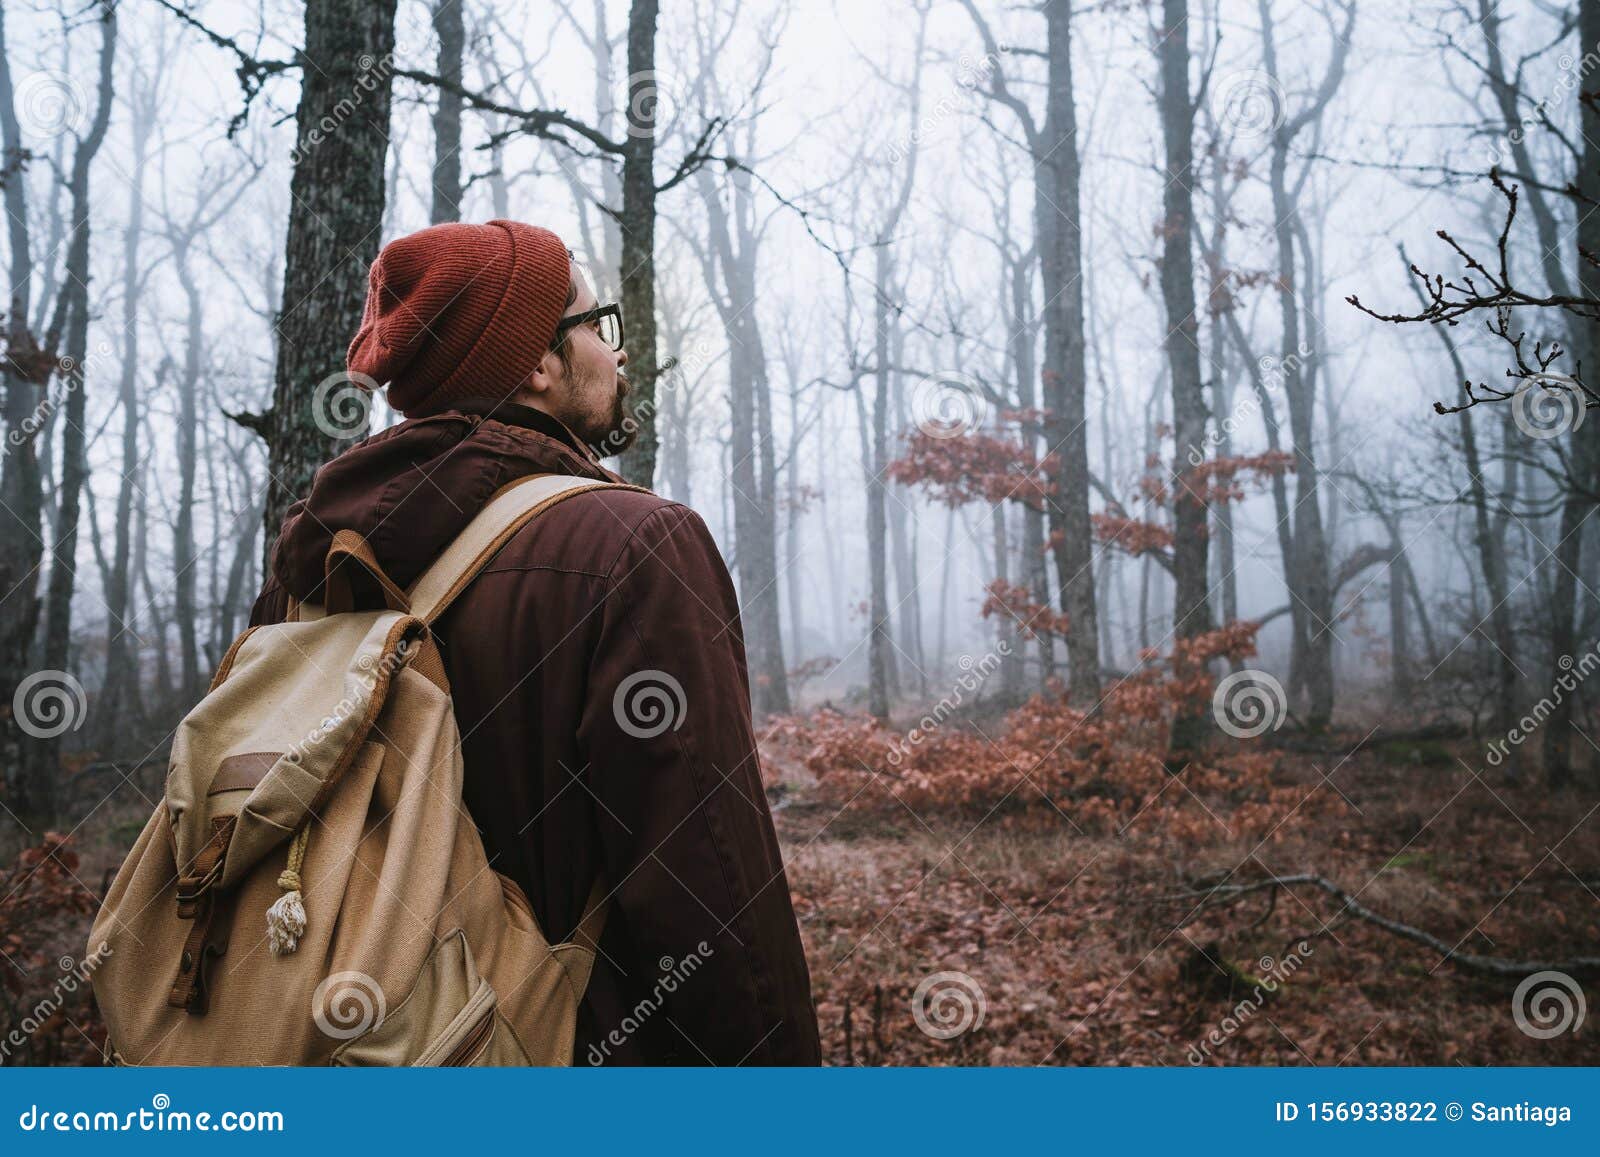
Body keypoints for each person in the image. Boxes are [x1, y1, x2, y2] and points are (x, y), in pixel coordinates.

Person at [249, 219, 821, 1065]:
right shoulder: (636, 547)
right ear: (539, 363)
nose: (617, 352)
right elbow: (710, 890)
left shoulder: (316, 560)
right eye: (598, 324)